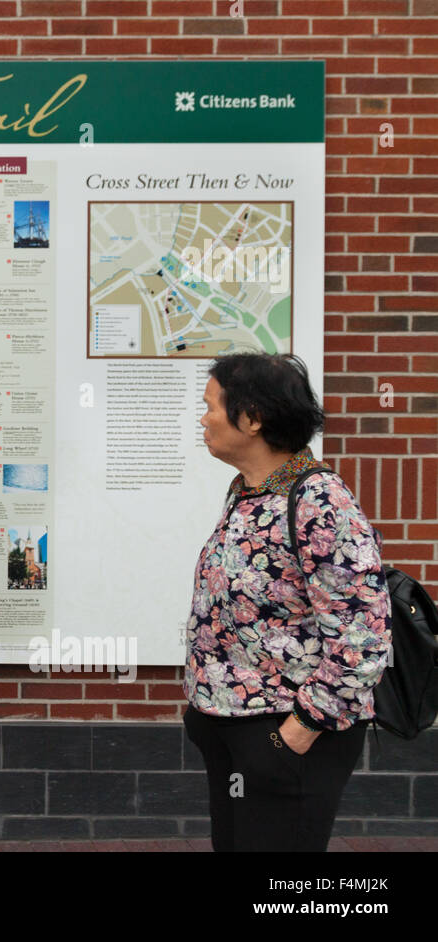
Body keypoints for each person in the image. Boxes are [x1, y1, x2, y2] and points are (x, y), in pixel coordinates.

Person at [184, 352, 391, 851]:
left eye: (212, 405)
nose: (203, 417)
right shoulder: (251, 493)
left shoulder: (319, 501)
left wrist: (295, 734)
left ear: (252, 418)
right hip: (234, 724)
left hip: (288, 731)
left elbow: (363, 635)